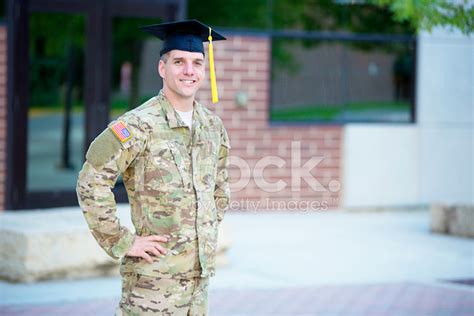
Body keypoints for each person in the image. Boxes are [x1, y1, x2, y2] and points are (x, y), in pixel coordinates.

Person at [76, 19, 230, 315]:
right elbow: (91, 181)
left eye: (197, 63)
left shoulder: (212, 127)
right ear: (163, 68)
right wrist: (121, 240)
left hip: (199, 282)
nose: (189, 70)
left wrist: (204, 229)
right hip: (152, 285)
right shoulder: (136, 125)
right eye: (179, 62)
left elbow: (220, 186)